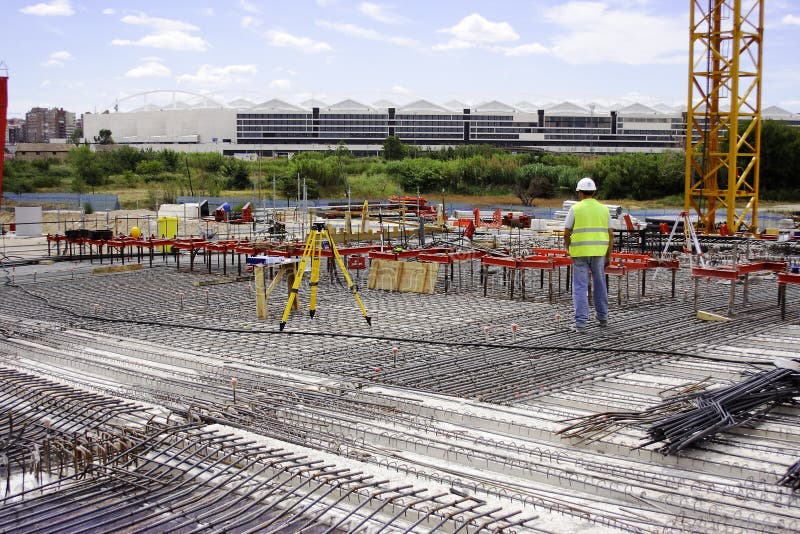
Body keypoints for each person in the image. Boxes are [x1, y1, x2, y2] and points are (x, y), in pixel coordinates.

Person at [563, 177, 614, 333]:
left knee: (580, 287)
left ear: (579, 193)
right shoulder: (604, 210)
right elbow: (611, 234)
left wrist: (569, 248)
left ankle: (581, 323)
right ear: (594, 192)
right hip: (599, 253)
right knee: (600, 284)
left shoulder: (575, 209)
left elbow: (566, 232)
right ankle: (603, 318)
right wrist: (608, 255)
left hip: (579, 254)